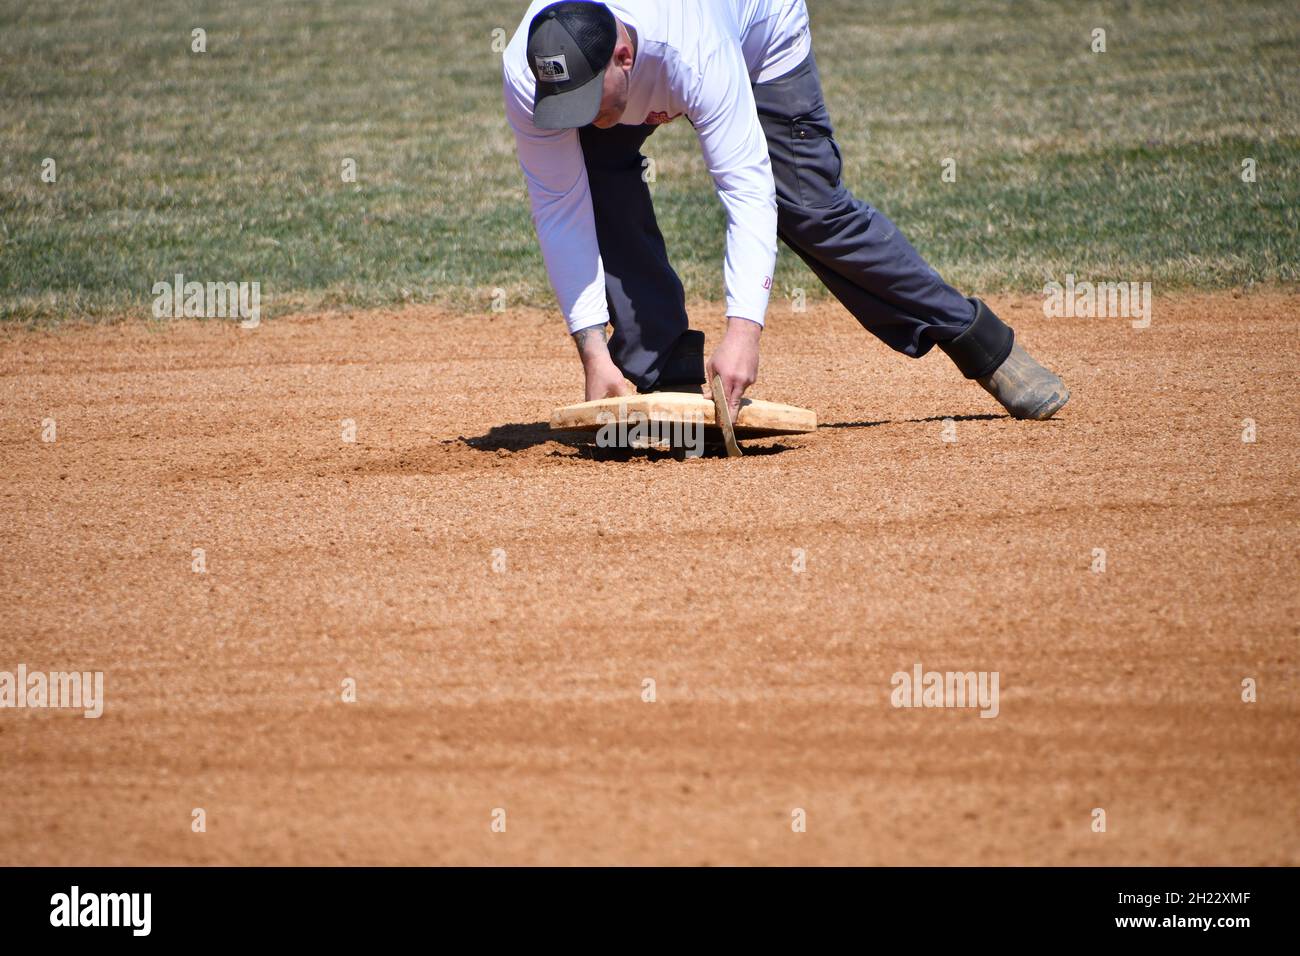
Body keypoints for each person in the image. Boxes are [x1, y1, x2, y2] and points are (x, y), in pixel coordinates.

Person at [502, 0, 1068, 422]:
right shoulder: (534, 76)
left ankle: (982, 343)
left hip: (755, 33)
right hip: (653, 63)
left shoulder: (690, 50)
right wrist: (592, 351)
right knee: (594, 176)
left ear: (624, 57)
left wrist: (743, 332)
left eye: (585, 102)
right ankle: (661, 375)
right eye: (564, 105)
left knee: (807, 208)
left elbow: (748, 191)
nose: (572, 117)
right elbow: (559, 207)